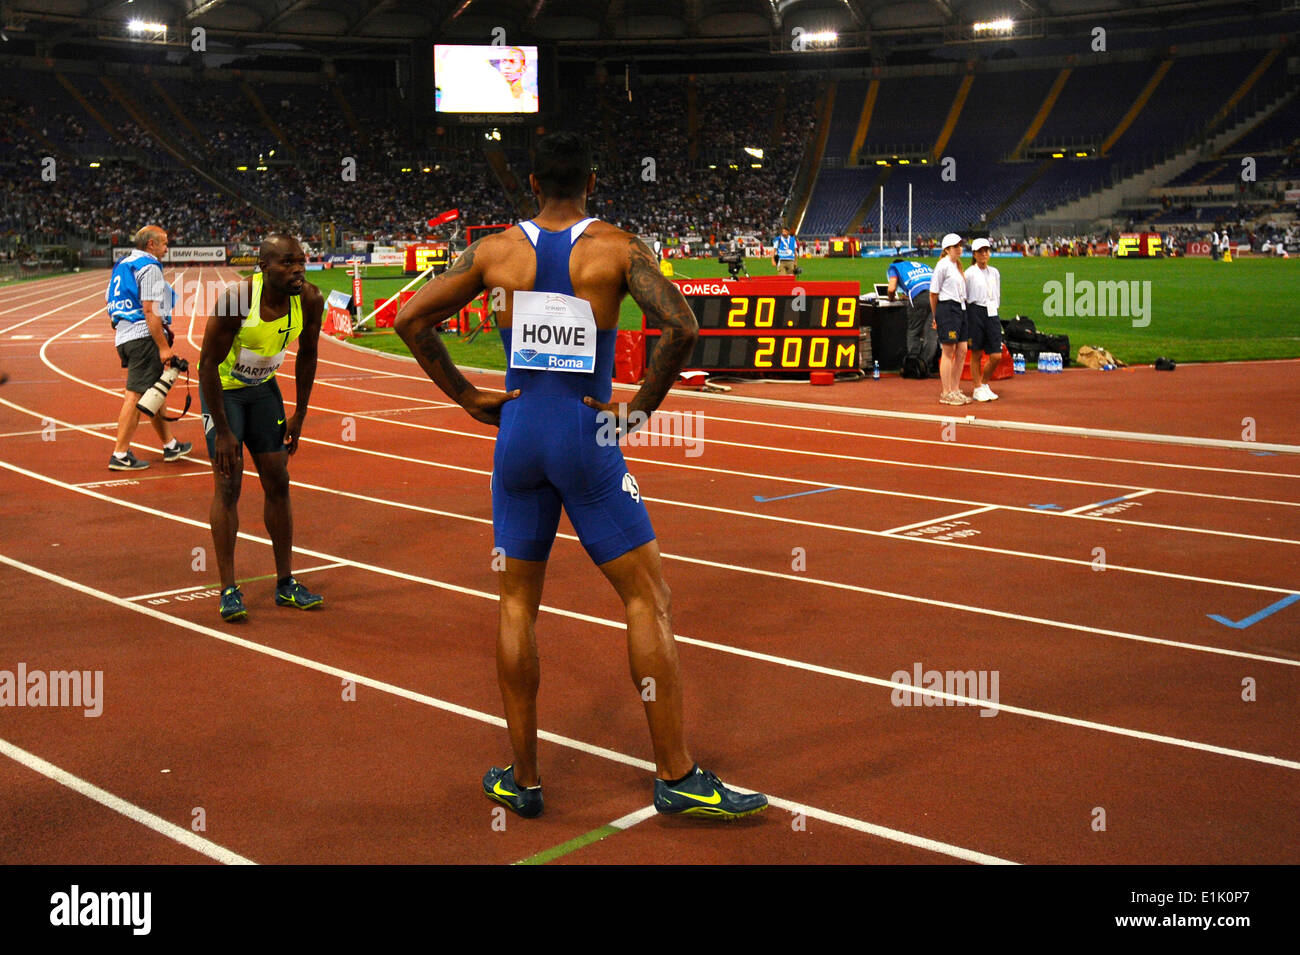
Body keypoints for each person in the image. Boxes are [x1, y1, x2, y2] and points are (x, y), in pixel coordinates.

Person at [395, 131, 767, 821]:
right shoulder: (619, 249)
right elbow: (681, 327)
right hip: (587, 433)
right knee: (646, 599)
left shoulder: (494, 251)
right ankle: (675, 774)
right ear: (591, 182)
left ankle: (525, 778)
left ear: (532, 182)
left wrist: (466, 396)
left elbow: (411, 318)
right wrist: (637, 410)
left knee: (515, 605)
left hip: (518, 436)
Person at [197, 234, 324, 623]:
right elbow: (206, 366)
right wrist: (222, 430)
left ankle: (285, 582)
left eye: (301, 261)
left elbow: (309, 354)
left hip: (263, 390)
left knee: (278, 479)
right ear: (263, 266)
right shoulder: (237, 300)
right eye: (287, 262)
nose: (297, 269)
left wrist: (300, 413)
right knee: (229, 483)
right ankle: (229, 589)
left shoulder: (310, 299)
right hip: (225, 394)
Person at [105, 225, 192, 471]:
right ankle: (120, 454)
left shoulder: (123, 265)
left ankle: (170, 444)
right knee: (134, 395)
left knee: (153, 391)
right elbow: (150, 310)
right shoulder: (149, 267)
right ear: (151, 245)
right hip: (143, 336)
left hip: (124, 336)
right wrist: (164, 348)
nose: (167, 248)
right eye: (164, 243)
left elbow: (110, 300)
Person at [929, 232, 969, 406]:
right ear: (946, 249)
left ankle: (955, 388)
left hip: (960, 308)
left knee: (962, 350)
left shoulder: (957, 266)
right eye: (955, 246)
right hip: (947, 309)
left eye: (960, 246)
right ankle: (946, 392)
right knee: (948, 351)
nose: (959, 249)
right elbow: (933, 293)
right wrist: (935, 315)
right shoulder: (942, 266)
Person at [963, 238, 1002, 402]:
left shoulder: (994, 272)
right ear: (974, 254)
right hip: (975, 311)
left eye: (986, 250)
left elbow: (997, 293)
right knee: (977, 352)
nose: (984, 254)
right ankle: (977, 387)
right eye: (980, 251)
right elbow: (965, 295)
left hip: (992, 311)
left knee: (996, 355)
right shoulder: (969, 273)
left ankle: (984, 383)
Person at [886, 257, 937, 378]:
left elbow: (892, 288)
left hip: (919, 296)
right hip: (937, 296)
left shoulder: (895, 267)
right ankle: (924, 365)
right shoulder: (922, 265)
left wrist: (891, 297)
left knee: (914, 331)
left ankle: (913, 365)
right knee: (932, 333)